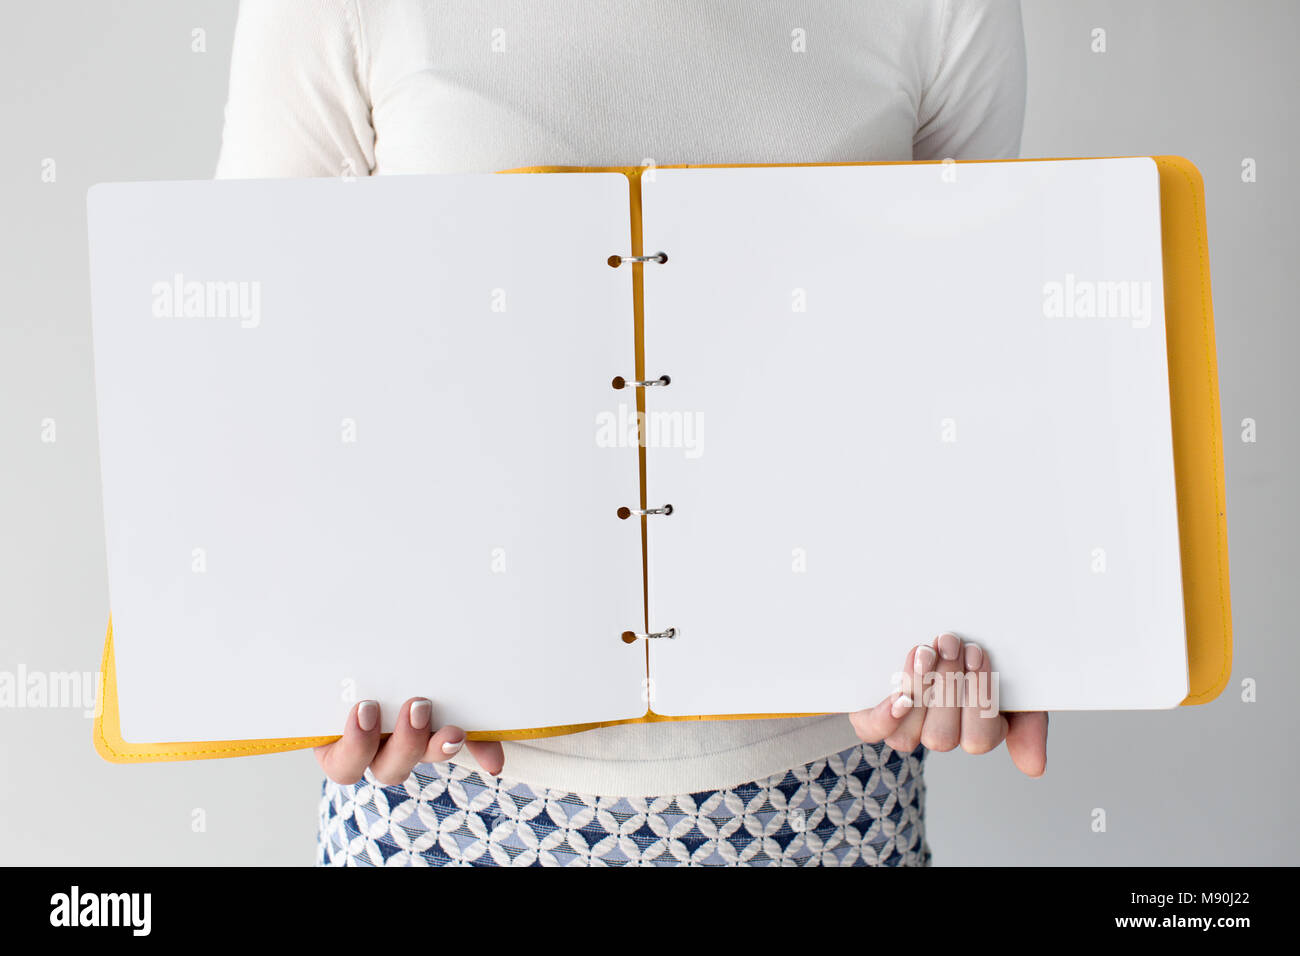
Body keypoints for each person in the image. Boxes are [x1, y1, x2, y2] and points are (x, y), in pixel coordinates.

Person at [215, 0, 1046, 867]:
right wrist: (314, 664)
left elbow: (960, 375)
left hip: (830, 796)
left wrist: (992, 637)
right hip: (442, 802)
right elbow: (258, 373)